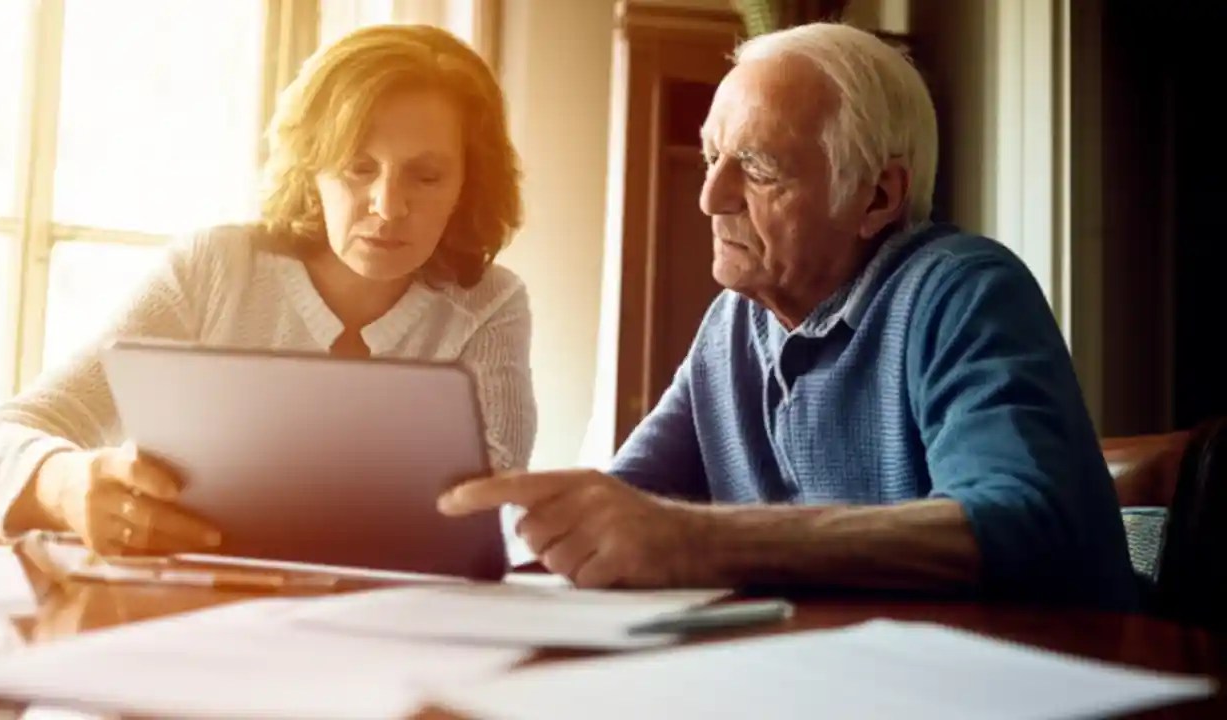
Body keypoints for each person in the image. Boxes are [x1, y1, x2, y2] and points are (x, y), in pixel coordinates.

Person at [439, 22, 1137, 609]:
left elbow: (1025, 524)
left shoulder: (962, 290)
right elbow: (629, 506)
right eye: (713, 156)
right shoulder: (732, 323)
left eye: (758, 166)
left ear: (876, 197)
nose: (710, 197)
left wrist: (698, 541)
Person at [0, 25, 536, 556]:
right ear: (312, 167)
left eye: (426, 175)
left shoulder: (489, 306)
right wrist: (65, 489)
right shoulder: (215, 268)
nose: (388, 207)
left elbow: (489, 509)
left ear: (467, 184)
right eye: (358, 167)